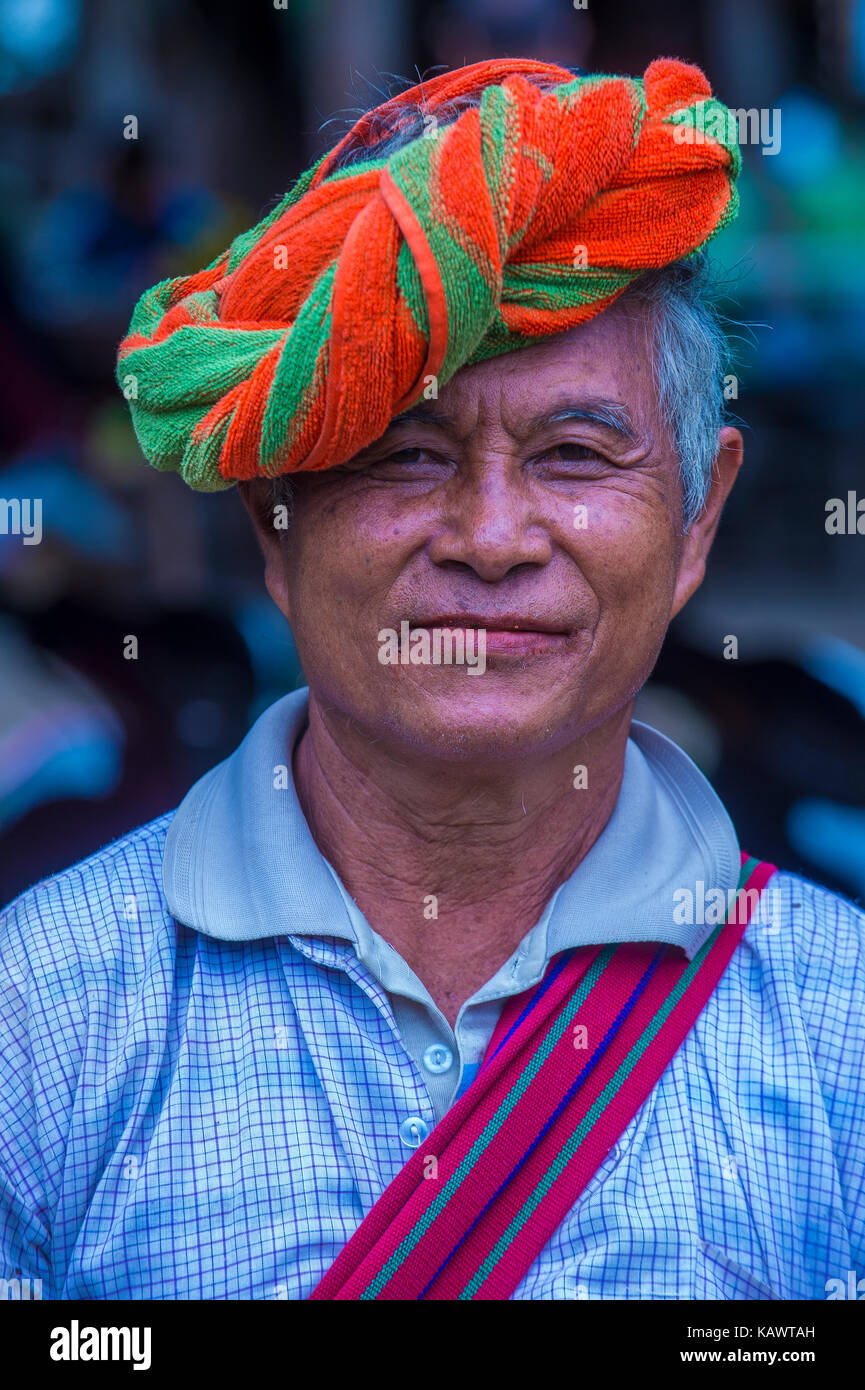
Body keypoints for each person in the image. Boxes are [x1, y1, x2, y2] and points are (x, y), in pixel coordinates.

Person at [2, 57, 863, 1301]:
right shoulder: (43, 1016)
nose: (492, 534)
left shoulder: (835, 1028)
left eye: (577, 453)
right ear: (275, 527)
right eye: (406, 454)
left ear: (695, 522)